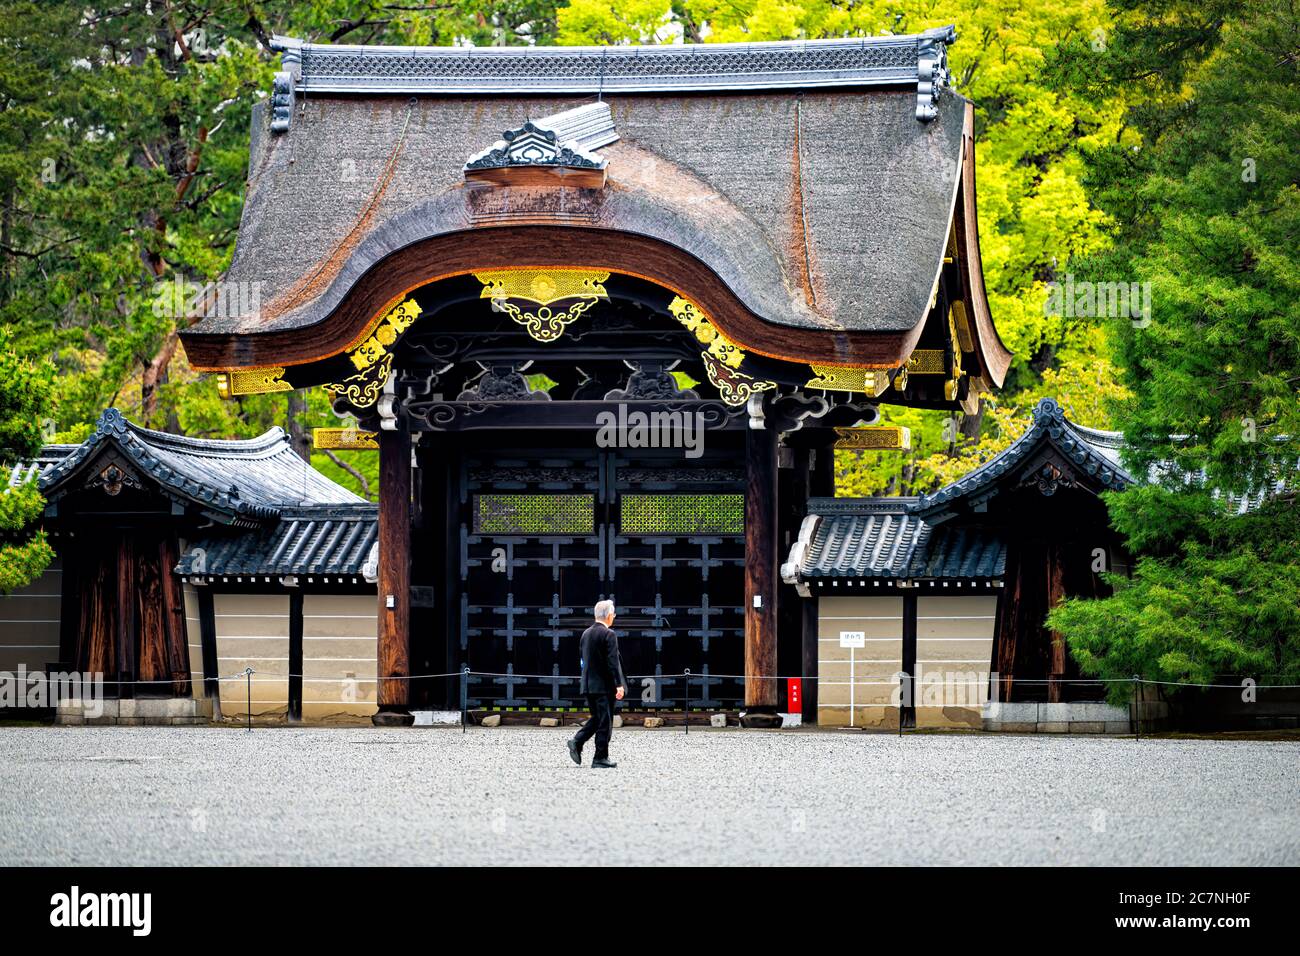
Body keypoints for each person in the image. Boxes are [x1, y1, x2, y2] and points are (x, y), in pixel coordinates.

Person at [567, 599, 626, 768]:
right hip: (604, 686)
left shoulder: (585, 634)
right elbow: (613, 662)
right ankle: (600, 757)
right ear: (608, 615)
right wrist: (619, 685)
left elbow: (582, 661)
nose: (613, 617)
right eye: (613, 614)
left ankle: (577, 742)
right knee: (605, 723)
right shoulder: (609, 634)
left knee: (598, 718)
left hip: (588, 685)